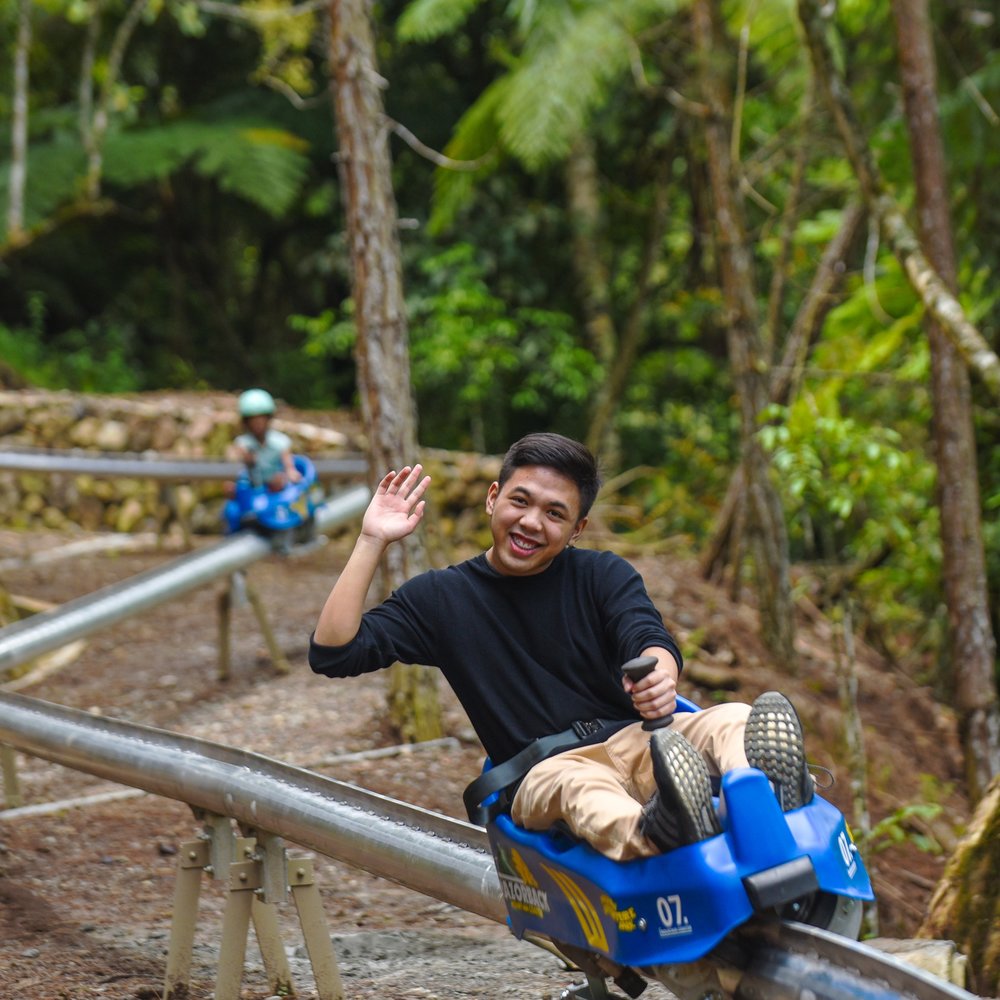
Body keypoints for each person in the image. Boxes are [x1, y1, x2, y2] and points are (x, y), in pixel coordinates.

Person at [308, 432, 813, 862]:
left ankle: (763, 796)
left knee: (736, 719)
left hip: (638, 741)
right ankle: (665, 831)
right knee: (583, 792)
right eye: (520, 501)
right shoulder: (442, 598)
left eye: (555, 513)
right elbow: (334, 652)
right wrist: (372, 540)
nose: (531, 523)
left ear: (578, 529)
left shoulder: (602, 575)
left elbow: (646, 635)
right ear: (492, 498)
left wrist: (660, 674)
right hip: (545, 771)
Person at [228, 388, 302, 494]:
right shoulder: (242, 443)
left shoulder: (281, 442)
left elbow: (290, 468)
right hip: (251, 493)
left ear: (268, 418)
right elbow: (234, 464)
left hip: (275, 493)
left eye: (261, 418)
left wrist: (288, 478)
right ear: (246, 422)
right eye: (253, 420)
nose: (257, 424)